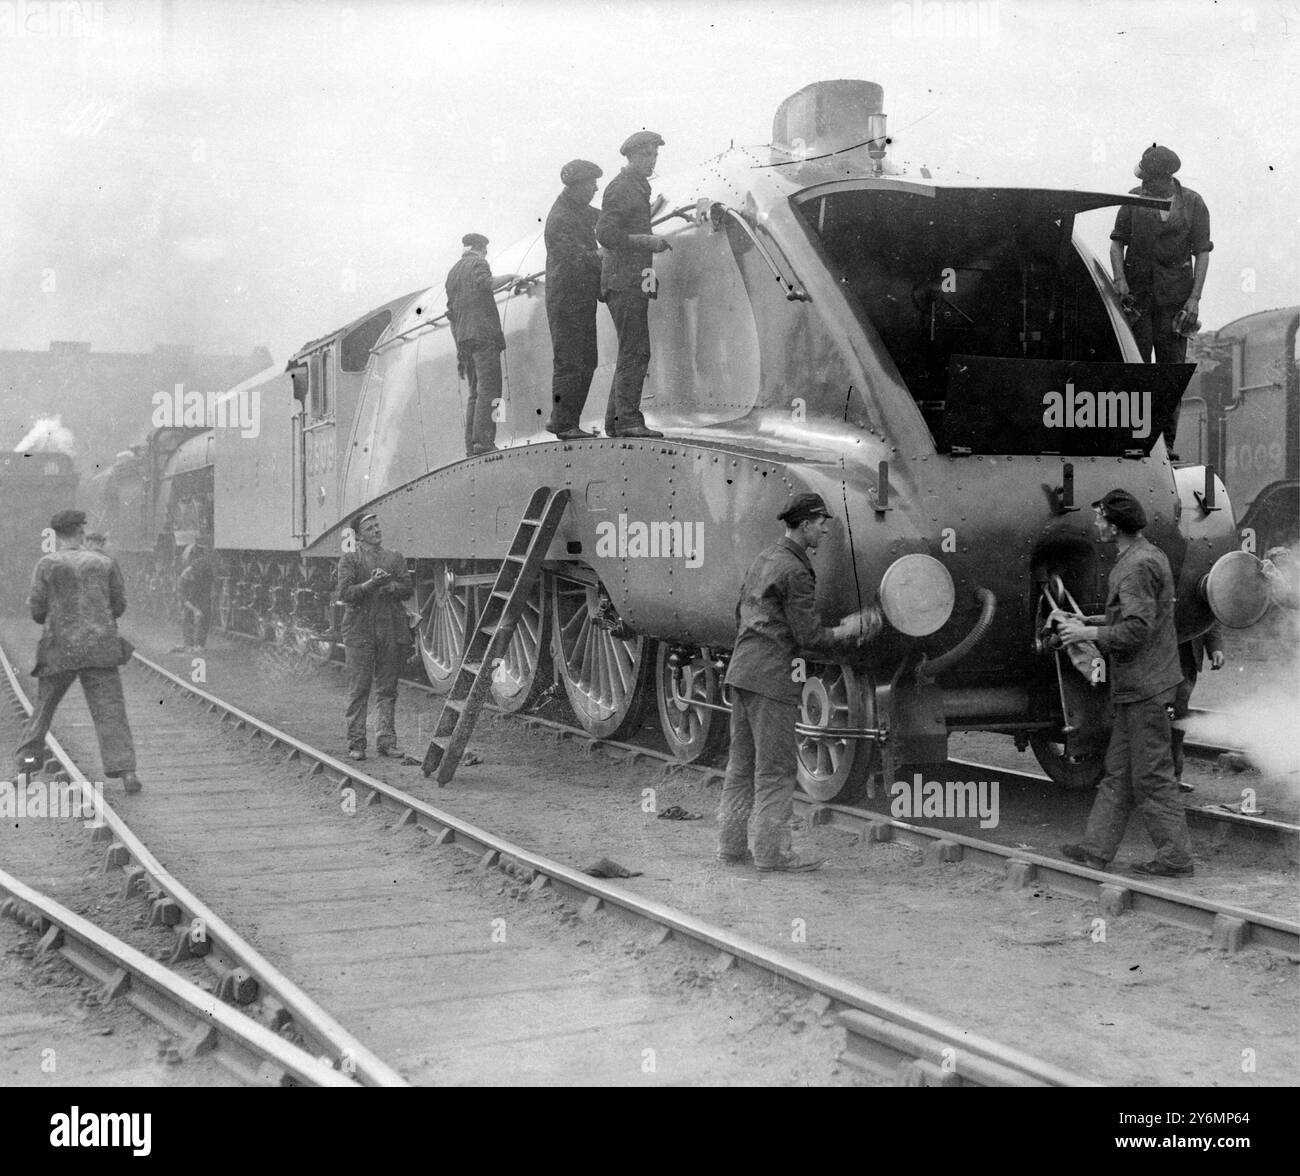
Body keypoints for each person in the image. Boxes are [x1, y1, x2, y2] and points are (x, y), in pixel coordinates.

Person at [717, 493, 876, 872]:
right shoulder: (796, 571)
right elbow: (809, 637)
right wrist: (848, 629)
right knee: (775, 770)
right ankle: (772, 854)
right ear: (804, 524)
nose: (825, 528)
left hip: (742, 672)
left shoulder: (765, 558)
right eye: (822, 521)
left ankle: (730, 848)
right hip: (772, 679)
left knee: (741, 766)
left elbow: (739, 612)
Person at [1058, 489, 1193, 877]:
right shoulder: (1147, 556)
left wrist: (1090, 635)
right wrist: (1084, 625)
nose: (1096, 523)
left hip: (1146, 688)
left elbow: (1135, 629)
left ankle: (1176, 858)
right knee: (1118, 772)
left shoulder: (1133, 568)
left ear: (1115, 525)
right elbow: (1135, 618)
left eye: (1100, 517)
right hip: (1141, 685)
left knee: (1151, 775)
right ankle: (1096, 850)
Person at [14, 510, 141, 794]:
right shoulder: (105, 563)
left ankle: (26, 769)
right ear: (82, 532)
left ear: (56, 535)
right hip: (101, 649)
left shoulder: (47, 564)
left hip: (59, 649)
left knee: (43, 711)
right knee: (110, 710)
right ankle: (127, 773)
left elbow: (36, 610)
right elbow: (119, 606)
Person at [1110, 143, 1212, 453]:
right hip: (1138, 300)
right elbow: (1117, 245)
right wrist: (1120, 281)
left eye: (1149, 179)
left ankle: (1165, 445)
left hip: (1175, 303)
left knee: (1170, 373)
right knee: (1137, 369)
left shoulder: (1193, 203)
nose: (1143, 185)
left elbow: (1202, 253)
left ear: (1165, 177)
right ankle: (1135, 440)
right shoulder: (1131, 200)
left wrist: (1194, 299)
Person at [595, 130, 672, 439]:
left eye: (654, 155)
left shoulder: (637, 187)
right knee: (636, 351)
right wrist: (646, 240)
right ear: (631, 157)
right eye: (646, 156)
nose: (651, 161)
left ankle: (617, 421)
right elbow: (605, 234)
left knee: (632, 350)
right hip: (623, 280)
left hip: (630, 280)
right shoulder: (621, 188)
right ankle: (628, 420)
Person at [337, 512, 413, 761]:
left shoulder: (395, 557)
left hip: (389, 630)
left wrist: (390, 586)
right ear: (359, 535)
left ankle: (387, 742)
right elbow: (345, 593)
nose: (376, 530)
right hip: (359, 631)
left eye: (377, 526)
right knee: (359, 688)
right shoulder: (349, 559)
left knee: (387, 689)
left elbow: (407, 589)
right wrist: (371, 584)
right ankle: (357, 743)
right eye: (370, 528)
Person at [544, 158, 604, 440]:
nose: (595, 188)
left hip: (578, 296)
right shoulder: (560, 218)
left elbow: (599, 216)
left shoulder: (576, 209)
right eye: (591, 184)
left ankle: (563, 420)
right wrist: (600, 257)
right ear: (577, 186)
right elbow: (574, 258)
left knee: (585, 359)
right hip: (567, 298)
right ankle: (564, 423)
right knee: (571, 360)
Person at [445, 233, 513, 456]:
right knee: (491, 388)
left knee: (475, 392)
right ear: (480, 248)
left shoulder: (452, 273)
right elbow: (487, 283)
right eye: (485, 251)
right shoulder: (478, 263)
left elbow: (451, 312)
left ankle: (471, 445)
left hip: (464, 340)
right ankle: (484, 441)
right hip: (484, 336)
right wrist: (511, 277)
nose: (486, 254)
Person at [1169, 624, 1223, 793]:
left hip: (1187, 659)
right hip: (1161, 658)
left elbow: (1209, 614)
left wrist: (1215, 648)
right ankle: (1162, 777)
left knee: (1178, 715)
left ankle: (1174, 776)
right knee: (1164, 716)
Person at [171, 535, 216, 653]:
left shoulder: (206, 571)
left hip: (203, 591)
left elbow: (210, 587)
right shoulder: (184, 579)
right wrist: (195, 610)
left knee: (205, 614)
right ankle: (189, 644)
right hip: (190, 596)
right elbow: (183, 598)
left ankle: (200, 644)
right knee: (187, 616)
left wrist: (204, 604)